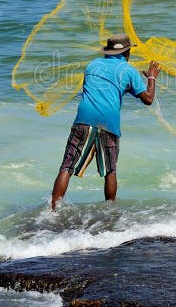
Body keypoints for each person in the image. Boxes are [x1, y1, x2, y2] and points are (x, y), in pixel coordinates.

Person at [50, 33, 159, 210]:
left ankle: (52, 210)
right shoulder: (128, 70)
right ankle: (109, 211)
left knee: (67, 166)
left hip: (83, 120)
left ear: (107, 51)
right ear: (127, 52)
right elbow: (148, 99)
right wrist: (151, 77)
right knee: (110, 171)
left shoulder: (92, 65)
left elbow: (100, 88)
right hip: (109, 123)